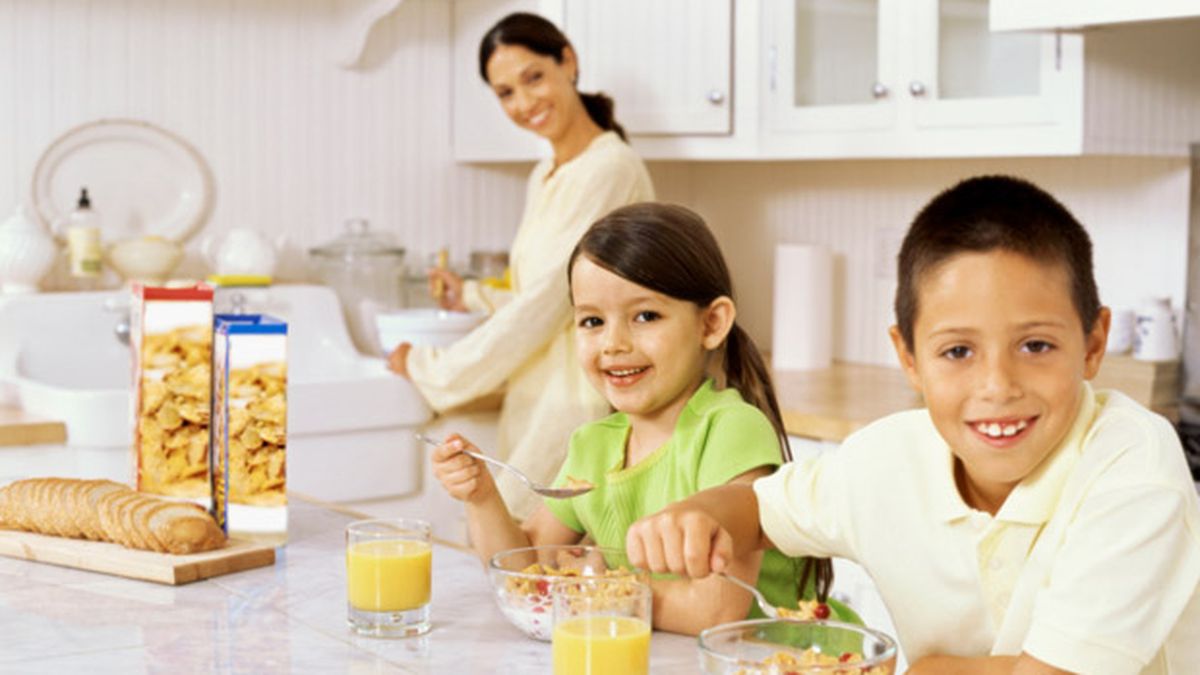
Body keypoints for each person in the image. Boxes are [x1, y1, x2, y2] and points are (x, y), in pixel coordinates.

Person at [624, 176, 1200, 672]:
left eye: (1036, 345)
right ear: (907, 357)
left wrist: (934, 669)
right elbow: (758, 511)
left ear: (1094, 343)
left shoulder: (1133, 469)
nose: (997, 386)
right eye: (957, 352)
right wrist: (699, 514)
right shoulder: (889, 456)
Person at [429, 203, 851, 635]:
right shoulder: (592, 446)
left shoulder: (730, 429)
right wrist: (480, 495)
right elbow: (526, 572)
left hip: (786, 658)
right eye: (592, 321)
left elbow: (715, 611)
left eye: (645, 316)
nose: (613, 343)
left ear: (711, 323)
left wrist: (597, 588)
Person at [387, 12, 654, 519]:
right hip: (536, 394)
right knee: (513, 552)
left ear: (567, 63)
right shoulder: (546, 174)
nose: (525, 103)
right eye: (506, 92)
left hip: (582, 396)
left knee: (527, 551)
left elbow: (548, 302)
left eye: (533, 77)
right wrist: (468, 295)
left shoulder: (610, 168)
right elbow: (542, 285)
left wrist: (431, 369)